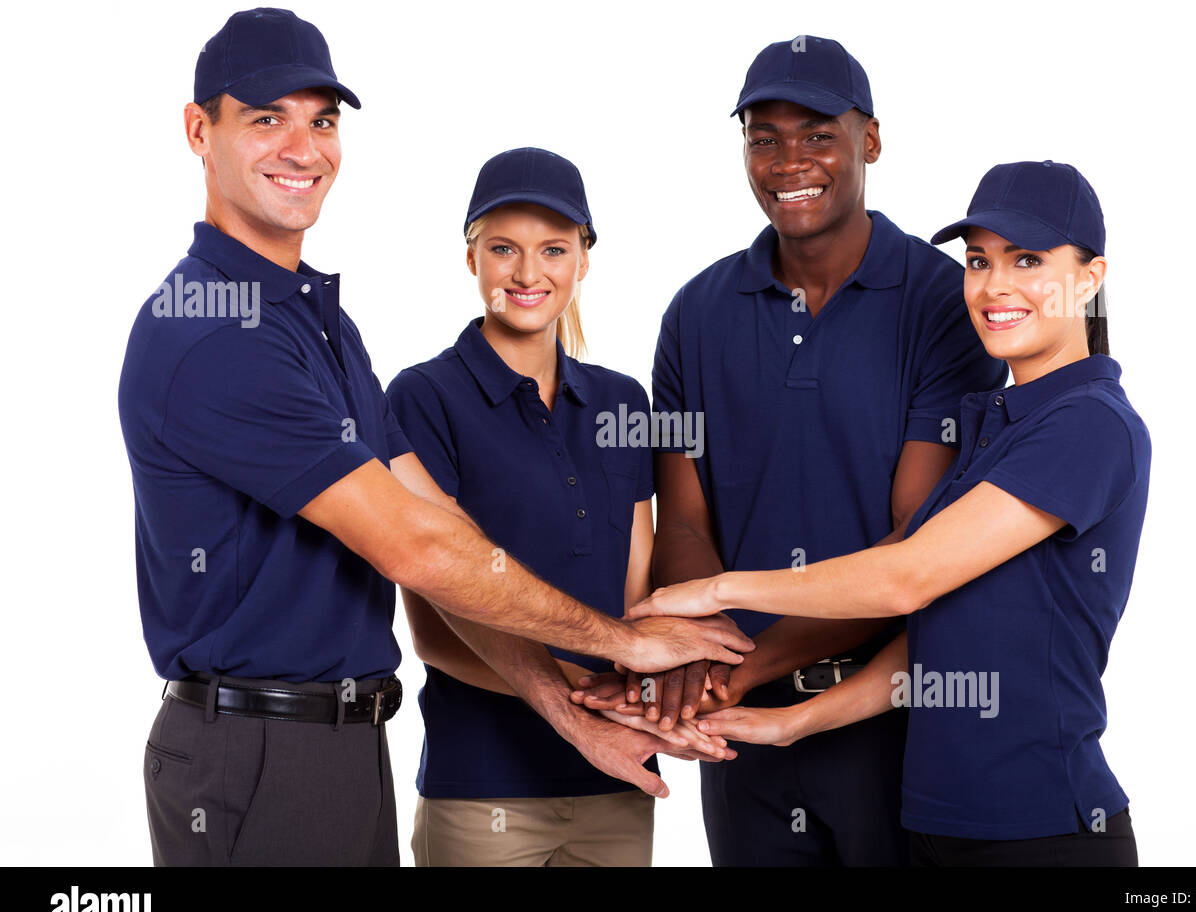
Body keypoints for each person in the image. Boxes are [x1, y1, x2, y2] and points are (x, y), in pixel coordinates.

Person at [118, 8, 751, 867]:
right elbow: (416, 549)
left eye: (323, 120)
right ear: (200, 129)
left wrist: (573, 712)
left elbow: (448, 538)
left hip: (344, 740)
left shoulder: (318, 323)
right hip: (257, 745)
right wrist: (625, 642)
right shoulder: (214, 332)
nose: (303, 147)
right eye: (267, 118)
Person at [629, 160, 1151, 867]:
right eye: (978, 260)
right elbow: (931, 639)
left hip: (1042, 831)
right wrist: (790, 725)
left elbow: (907, 578)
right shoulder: (990, 424)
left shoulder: (1089, 423)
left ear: (1090, 279)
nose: (995, 285)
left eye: (1028, 260)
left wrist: (718, 590)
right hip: (936, 824)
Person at [573, 35, 1006, 866]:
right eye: (762, 137)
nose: (788, 160)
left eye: (817, 134)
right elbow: (685, 519)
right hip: (736, 736)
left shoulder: (942, 306)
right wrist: (707, 667)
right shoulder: (695, 313)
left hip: (886, 718)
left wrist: (728, 666)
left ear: (869, 140)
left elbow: (914, 549)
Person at [386, 148, 733, 867]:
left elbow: (640, 597)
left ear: (584, 260)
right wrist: (589, 700)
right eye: (502, 249)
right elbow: (433, 625)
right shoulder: (424, 399)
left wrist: (652, 706)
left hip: (619, 781)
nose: (526, 273)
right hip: (483, 787)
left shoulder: (621, 402)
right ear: (472, 259)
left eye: (553, 249)